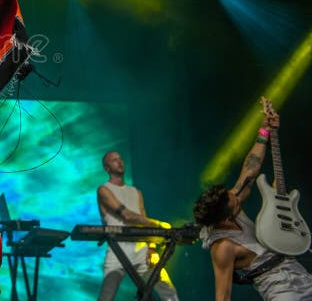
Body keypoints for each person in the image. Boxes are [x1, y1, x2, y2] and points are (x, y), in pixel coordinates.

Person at [193, 101, 312, 300]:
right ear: (226, 217)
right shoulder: (222, 247)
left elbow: (250, 170)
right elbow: (222, 297)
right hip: (280, 290)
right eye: (235, 202)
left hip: (298, 273)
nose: (238, 198)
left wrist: (264, 131)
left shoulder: (230, 202)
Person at [96, 151, 179, 300]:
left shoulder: (136, 192)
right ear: (107, 168)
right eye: (114, 160)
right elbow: (127, 215)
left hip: (141, 251)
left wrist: (152, 247)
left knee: (168, 291)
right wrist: (159, 224)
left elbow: (143, 221)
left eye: (121, 158)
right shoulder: (103, 190)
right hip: (117, 249)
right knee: (106, 296)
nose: (120, 162)